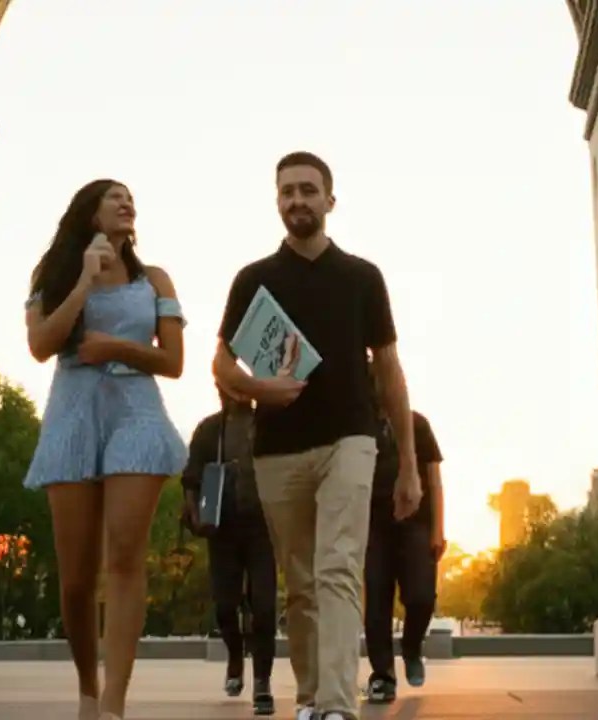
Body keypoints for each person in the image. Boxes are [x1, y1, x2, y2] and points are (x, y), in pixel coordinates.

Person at [213, 151, 423, 720]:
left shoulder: (362, 277)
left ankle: (336, 705)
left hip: (350, 441)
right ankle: (310, 697)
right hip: (278, 450)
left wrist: (407, 462)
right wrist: (263, 389)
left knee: (337, 568)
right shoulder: (253, 280)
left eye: (309, 190)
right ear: (277, 202)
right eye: (287, 192)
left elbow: (389, 371)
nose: (297, 201)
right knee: (301, 584)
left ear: (331, 200)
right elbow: (223, 367)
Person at [22, 179, 188, 720]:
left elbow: (174, 363)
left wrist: (115, 347)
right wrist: (84, 287)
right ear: (88, 213)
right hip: (73, 413)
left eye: (130, 196)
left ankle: (114, 703)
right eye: (113, 196)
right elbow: (42, 346)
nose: (126, 202)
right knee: (75, 579)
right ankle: (87, 691)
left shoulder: (155, 279)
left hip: (137, 412)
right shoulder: (53, 275)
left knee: (123, 556)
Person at [180, 386, 277, 716]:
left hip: (264, 530)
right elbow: (191, 479)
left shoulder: (267, 425)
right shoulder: (209, 430)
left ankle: (262, 683)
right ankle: (235, 654)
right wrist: (196, 515)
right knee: (225, 607)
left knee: (264, 607)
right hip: (222, 530)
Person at [363, 367, 445, 704]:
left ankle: (412, 648)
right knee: (377, 604)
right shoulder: (361, 430)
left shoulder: (418, 425)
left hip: (415, 523)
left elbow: (434, 480)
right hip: (374, 527)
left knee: (422, 596)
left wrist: (438, 529)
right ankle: (382, 676)